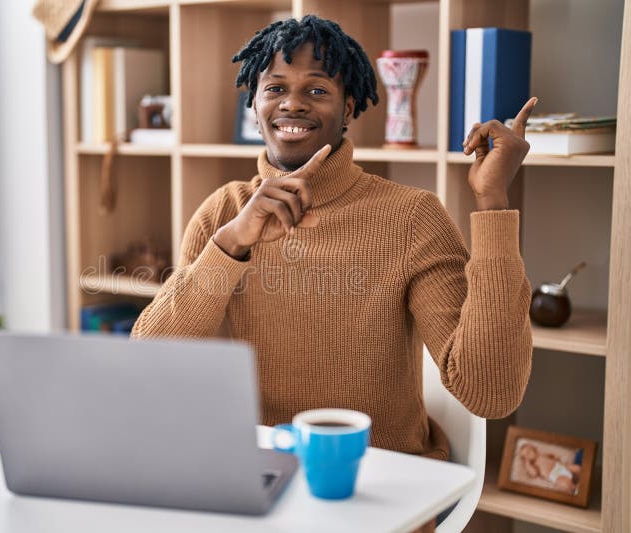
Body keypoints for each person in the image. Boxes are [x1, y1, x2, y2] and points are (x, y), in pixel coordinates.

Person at [131, 15, 534, 530]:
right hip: (257, 485)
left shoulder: (411, 216)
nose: (292, 103)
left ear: (347, 109)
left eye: (316, 89)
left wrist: (493, 202)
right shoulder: (223, 213)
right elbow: (151, 364)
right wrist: (231, 244)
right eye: (274, 87)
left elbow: (490, 392)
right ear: (254, 107)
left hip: (381, 489)